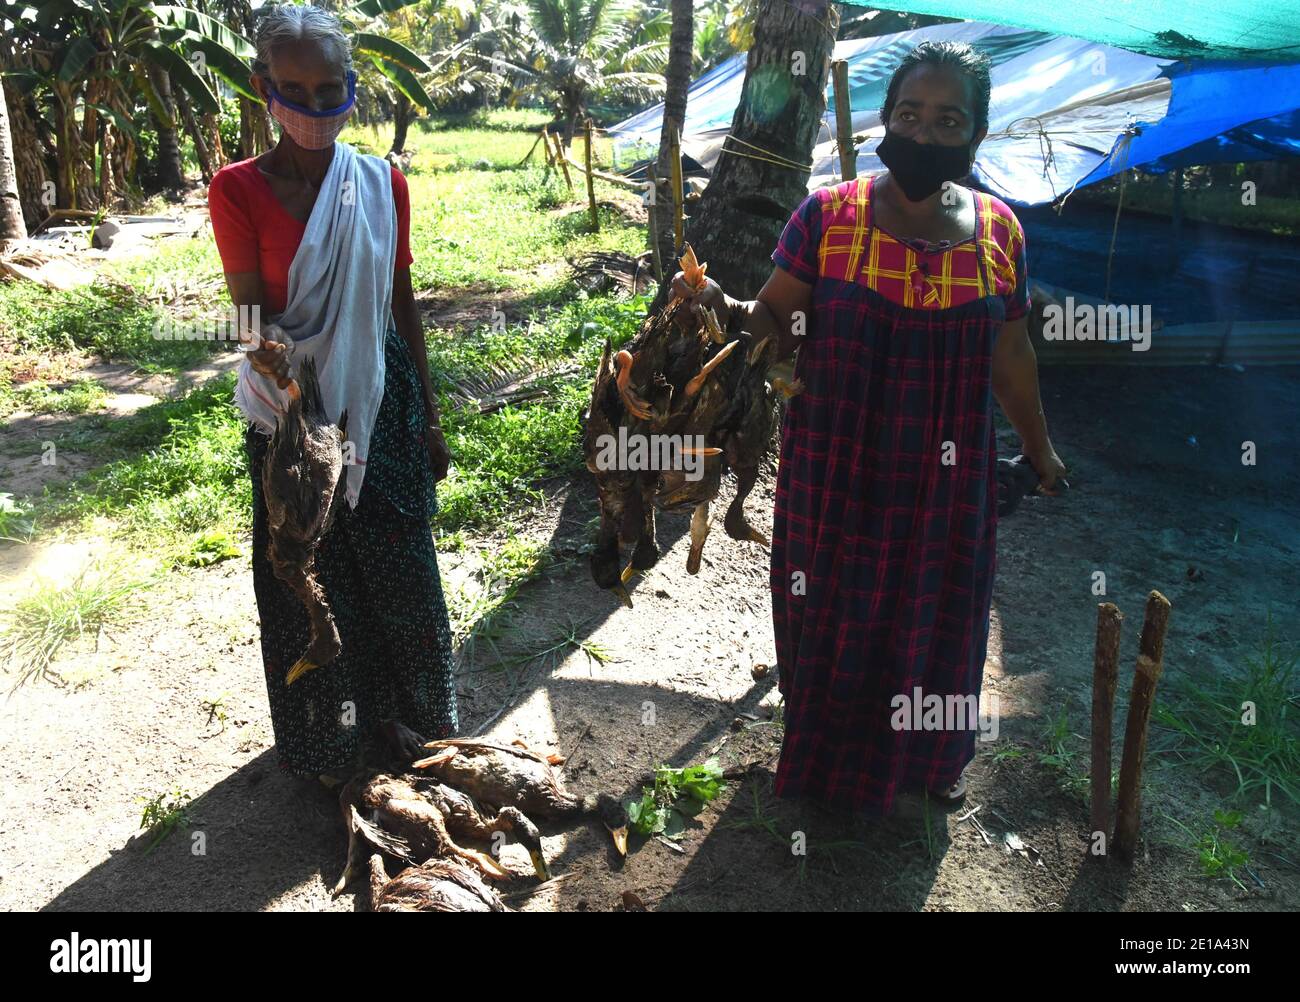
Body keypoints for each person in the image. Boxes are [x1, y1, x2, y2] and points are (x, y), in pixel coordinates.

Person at [674, 41, 1066, 816]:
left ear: (977, 134)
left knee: (943, 615)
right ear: (886, 120)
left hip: (949, 481)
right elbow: (776, 317)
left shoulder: (1000, 235)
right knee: (832, 613)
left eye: (948, 120)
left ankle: (924, 763)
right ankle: (826, 766)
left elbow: (1011, 349)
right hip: (838, 468)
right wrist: (719, 313)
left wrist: (1041, 450)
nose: (923, 136)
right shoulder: (830, 216)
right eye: (910, 115)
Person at [208, 3, 456, 785]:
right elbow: (249, 313)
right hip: (288, 407)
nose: (315, 109)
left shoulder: (381, 182)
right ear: (263, 88)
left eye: (331, 90)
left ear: (352, 86)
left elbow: (400, 300)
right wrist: (279, 372)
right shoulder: (238, 189)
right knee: (307, 576)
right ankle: (330, 749)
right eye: (294, 90)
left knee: (401, 563)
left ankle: (417, 719)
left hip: (379, 392)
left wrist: (431, 415)